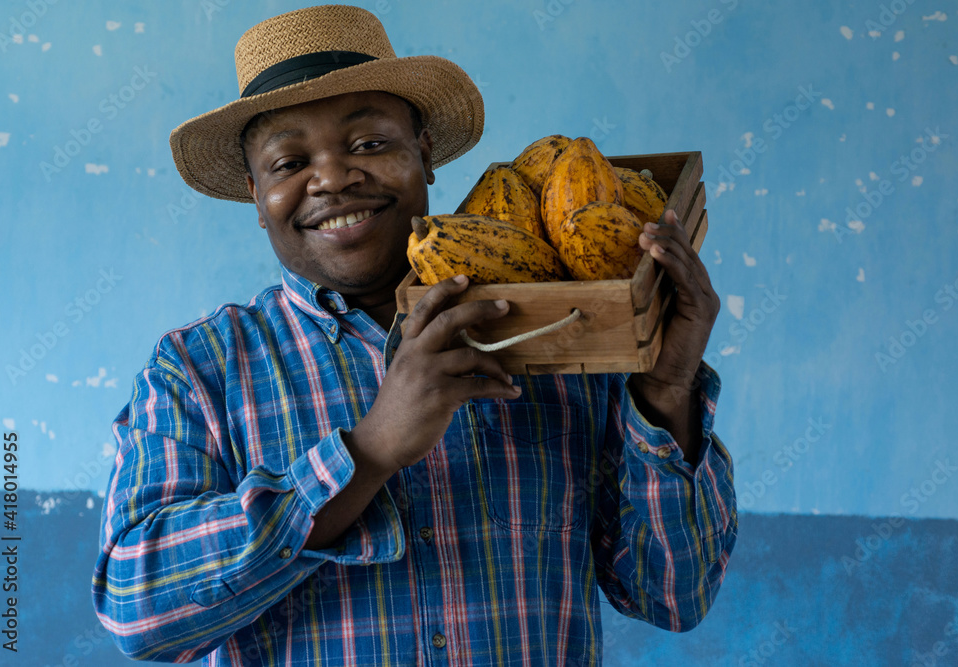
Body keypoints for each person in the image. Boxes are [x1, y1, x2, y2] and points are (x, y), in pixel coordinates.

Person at [92, 5, 736, 665]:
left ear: (423, 154)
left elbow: (673, 596)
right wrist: (367, 454)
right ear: (257, 196)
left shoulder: (561, 328)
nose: (332, 178)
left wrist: (667, 388)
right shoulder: (198, 369)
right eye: (289, 162)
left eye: (369, 144)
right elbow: (139, 613)